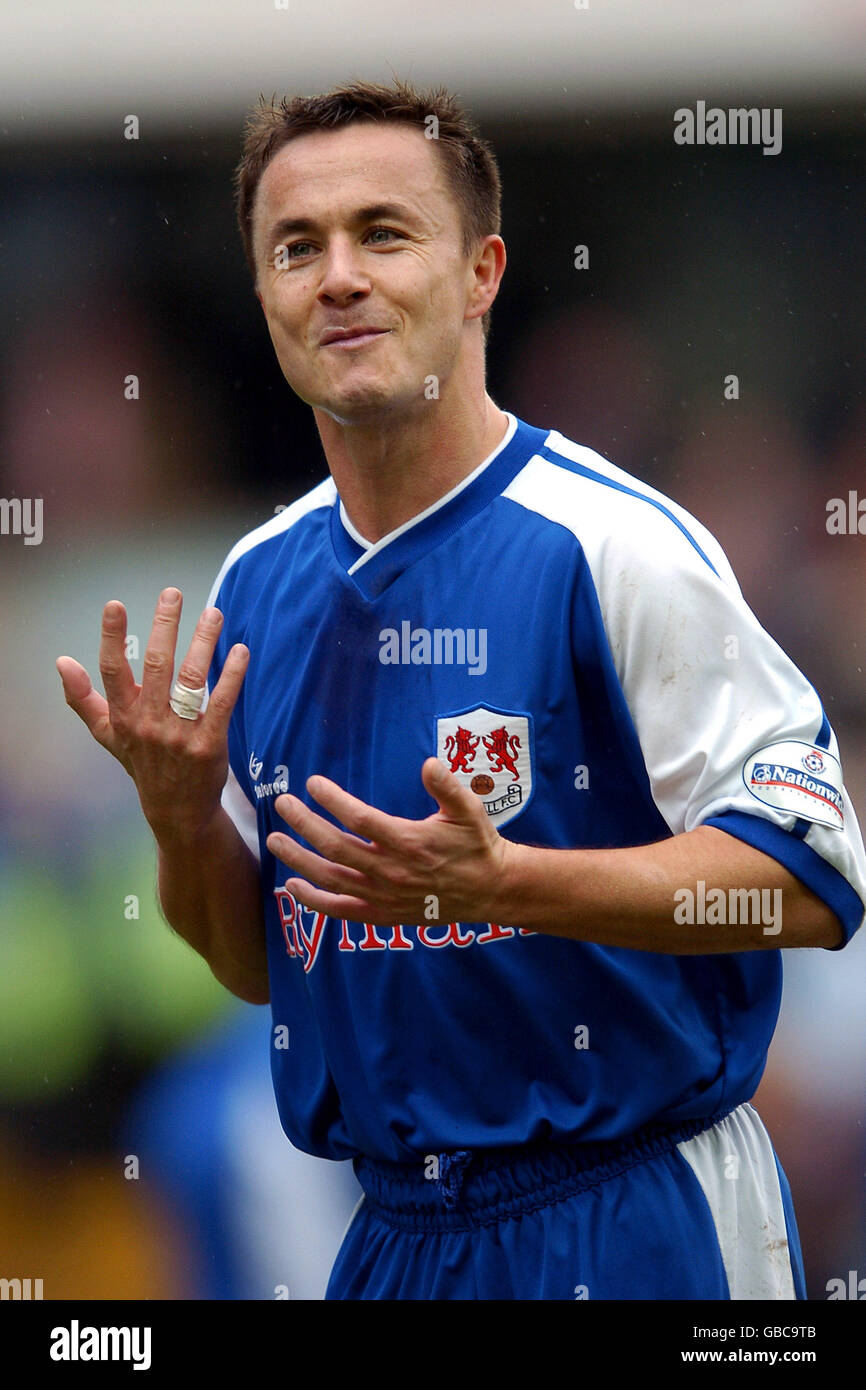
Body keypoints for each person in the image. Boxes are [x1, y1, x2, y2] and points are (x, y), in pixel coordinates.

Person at [57, 79, 866, 1301]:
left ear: (480, 272)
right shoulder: (255, 584)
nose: (337, 277)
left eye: (381, 233)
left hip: (634, 1210)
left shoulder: (614, 548)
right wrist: (177, 819)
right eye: (296, 248)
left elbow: (810, 879)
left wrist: (507, 884)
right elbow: (261, 966)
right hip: (393, 1230)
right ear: (264, 295)